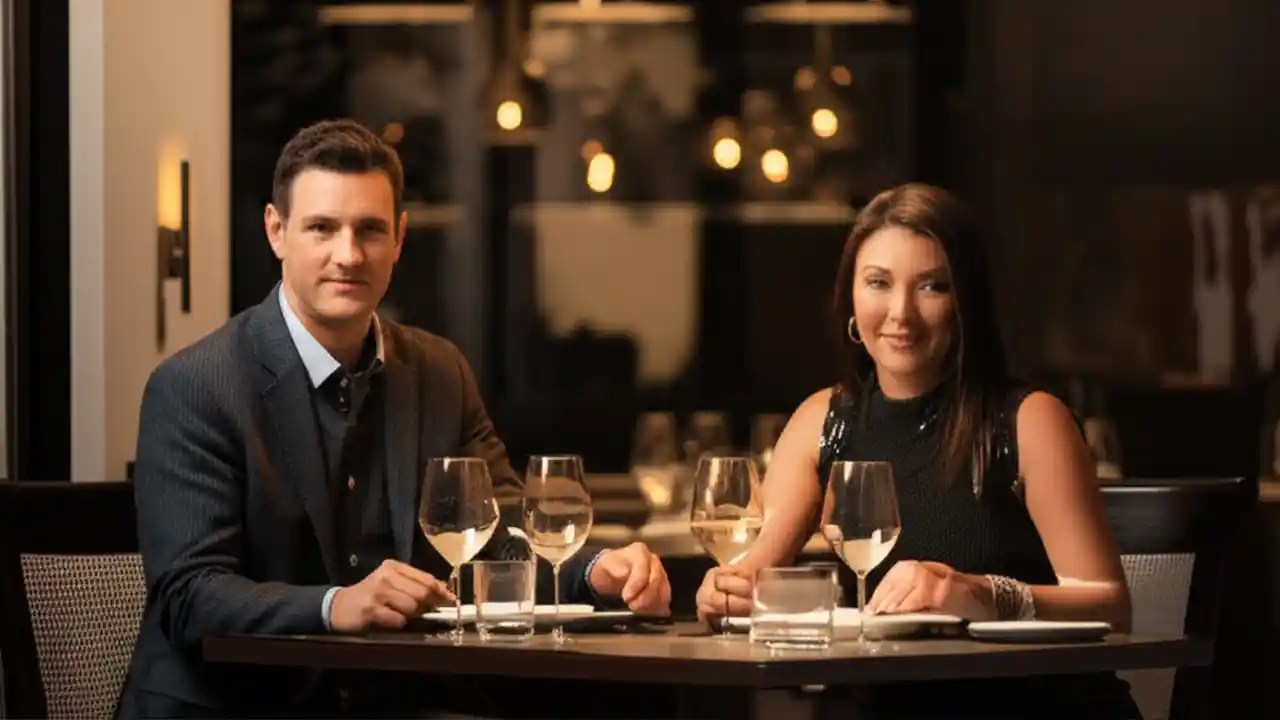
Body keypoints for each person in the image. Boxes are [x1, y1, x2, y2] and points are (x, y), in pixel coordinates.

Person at [117, 119, 671, 718]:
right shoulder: (196, 386)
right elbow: (187, 596)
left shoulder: (439, 371)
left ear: (401, 238)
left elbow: (501, 537)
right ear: (276, 231)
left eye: (371, 230)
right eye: (322, 228)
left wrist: (595, 571)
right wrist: (335, 606)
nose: (348, 255)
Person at [694, 184, 1140, 718]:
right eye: (878, 283)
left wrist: (980, 594)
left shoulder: (1029, 420)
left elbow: (1112, 607)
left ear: (965, 302)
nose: (901, 312)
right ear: (851, 300)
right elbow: (754, 574)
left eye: (932, 286)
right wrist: (727, 592)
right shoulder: (823, 421)